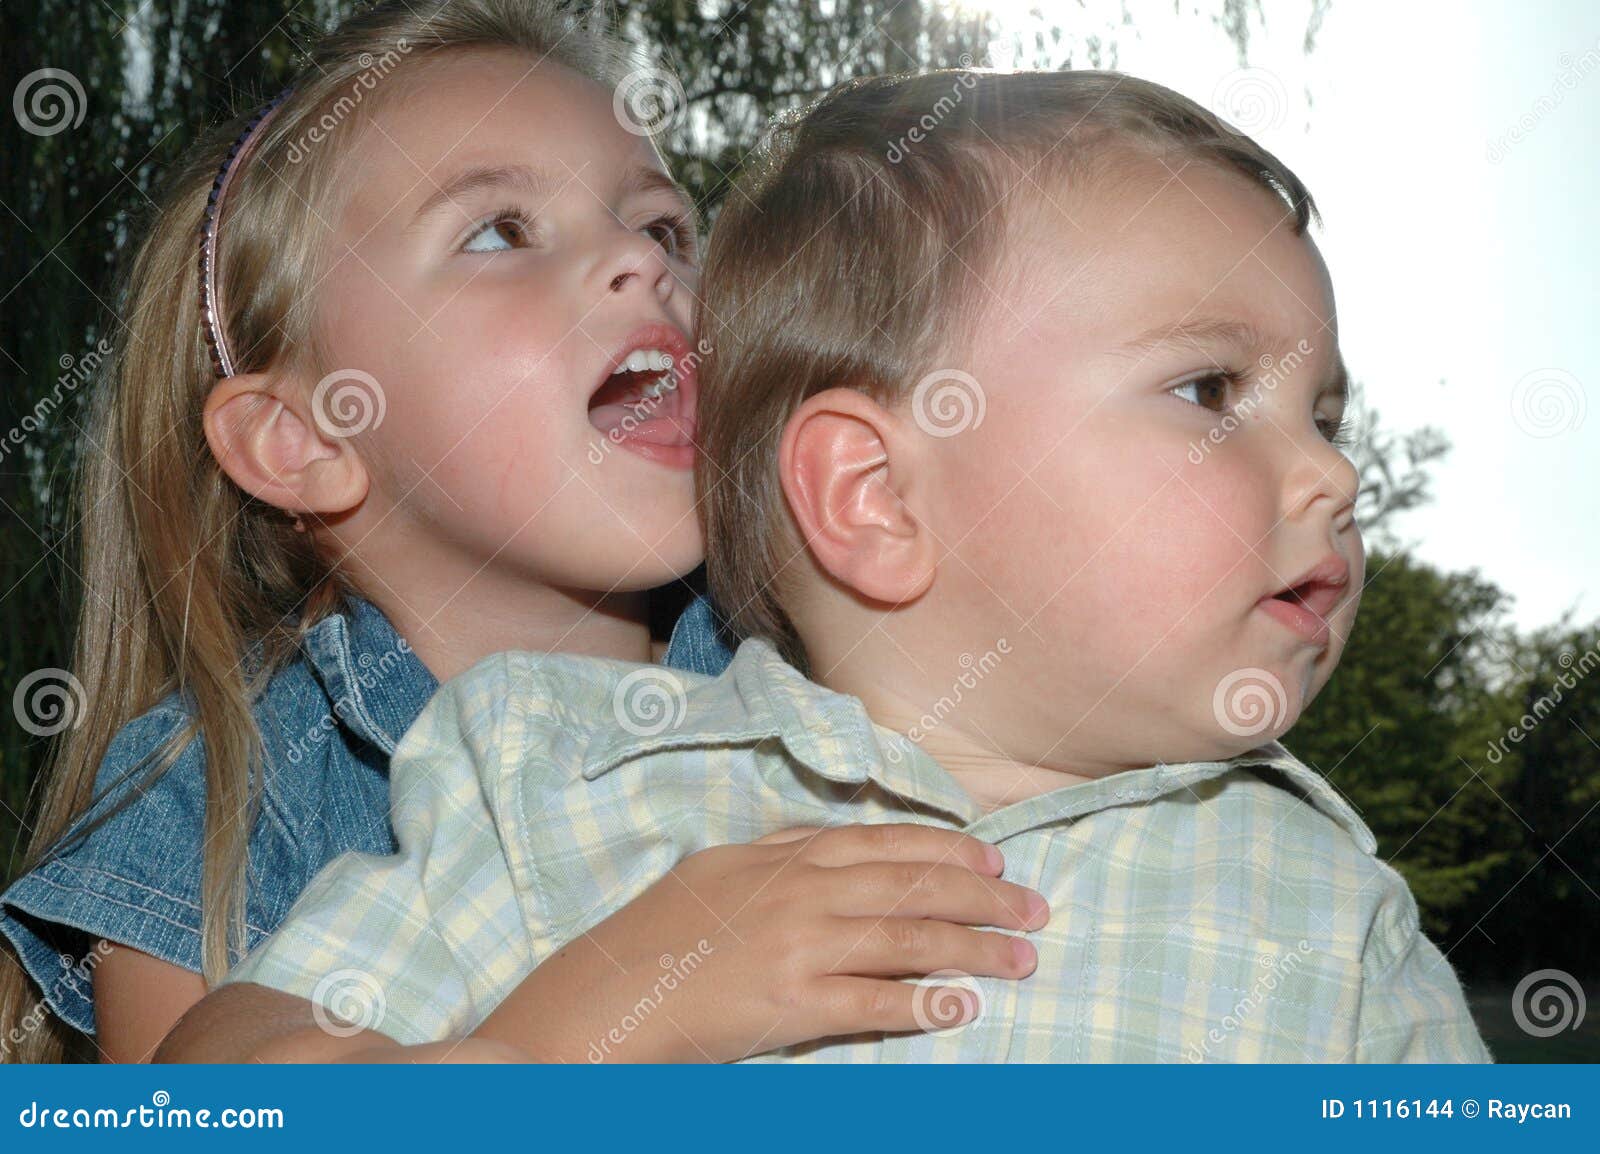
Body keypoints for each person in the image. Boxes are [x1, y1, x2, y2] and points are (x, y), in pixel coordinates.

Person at [165, 67, 1490, 1062]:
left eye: (1324, 414)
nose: (1335, 475)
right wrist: (548, 1042)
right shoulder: (557, 790)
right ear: (872, 495)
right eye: (1208, 389)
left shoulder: (1330, 904)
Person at [0, 3, 1041, 1064]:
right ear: (299, 438)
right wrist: (593, 1012)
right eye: (499, 230)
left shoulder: (853, 654)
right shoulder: (217, 794)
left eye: (663, 227)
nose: (644, 264)